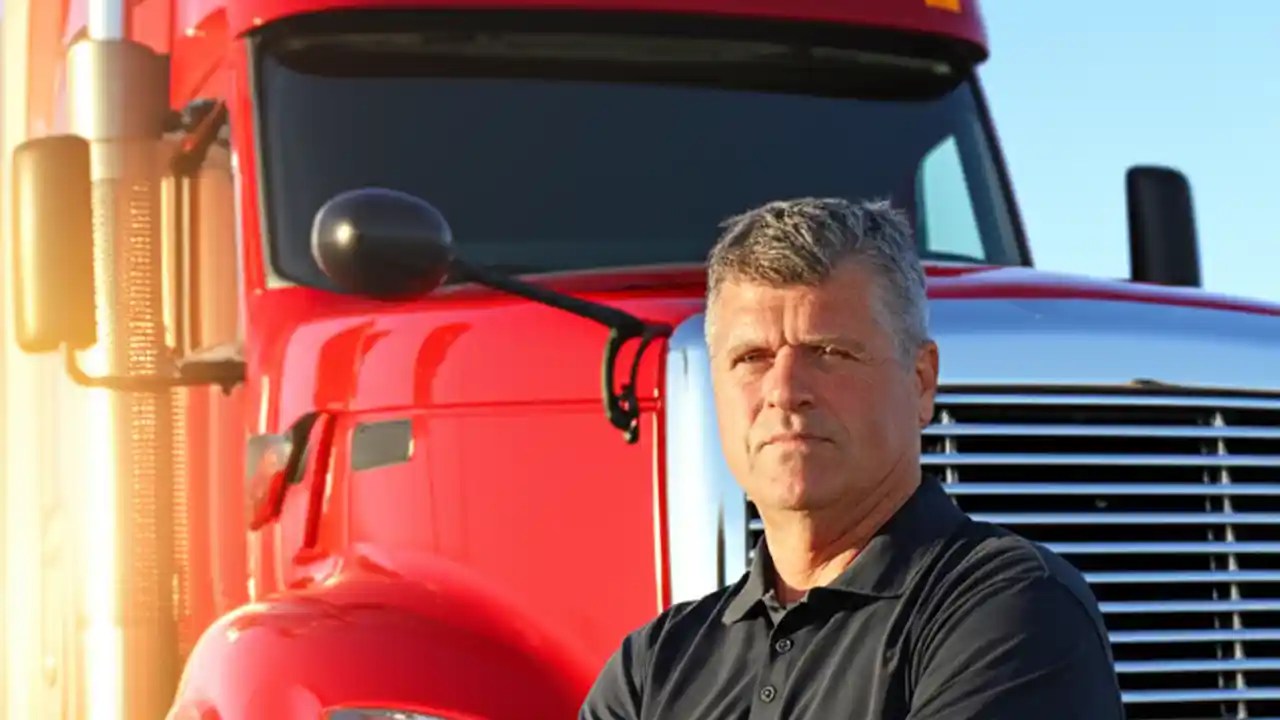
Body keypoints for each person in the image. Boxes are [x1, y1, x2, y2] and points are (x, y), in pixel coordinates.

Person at [579, 197, 1125, 719]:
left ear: (921, 380)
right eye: (752, 357)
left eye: (830, 353)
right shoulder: (651, 667)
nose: (785, 389)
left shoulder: (1015, 610)